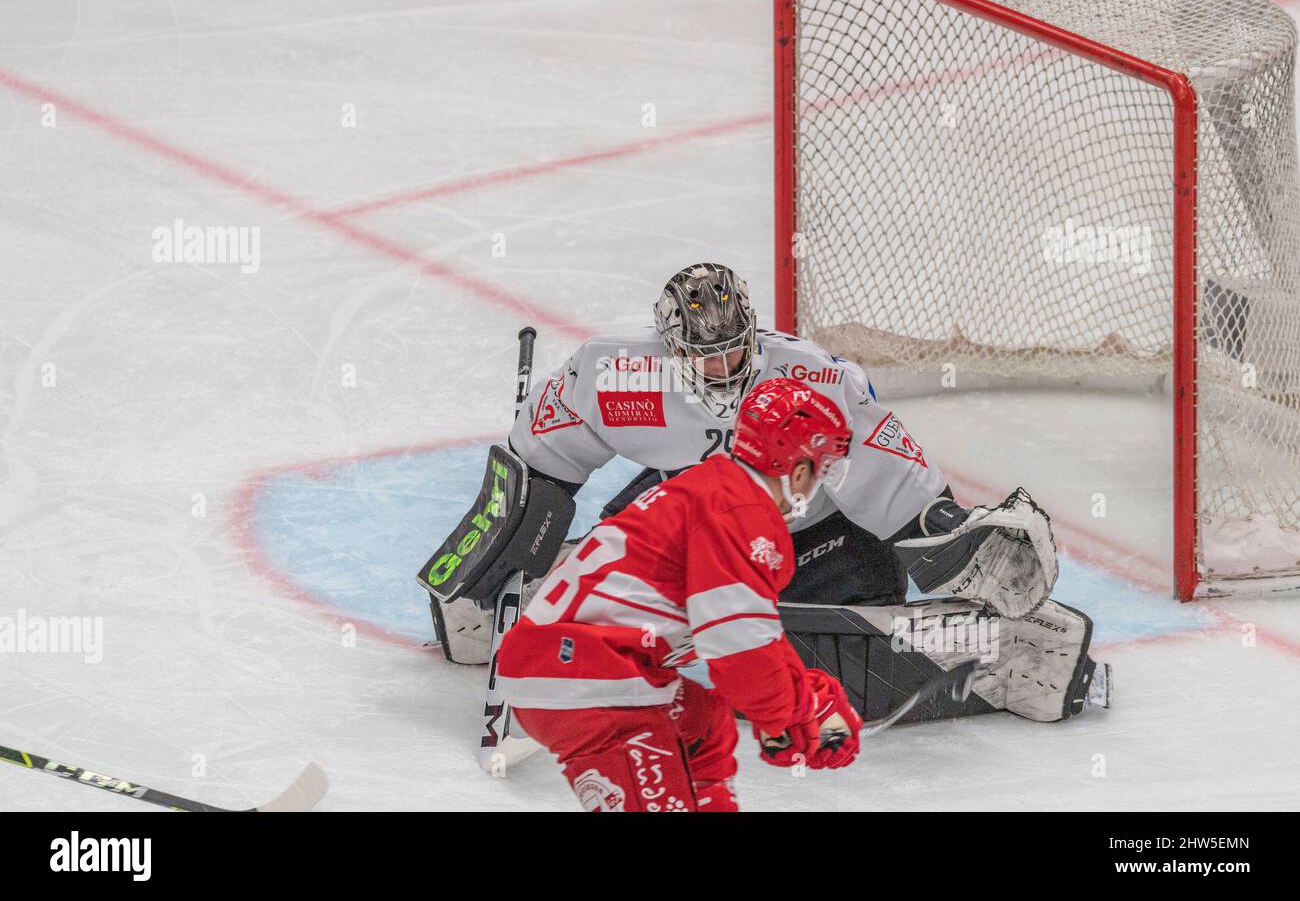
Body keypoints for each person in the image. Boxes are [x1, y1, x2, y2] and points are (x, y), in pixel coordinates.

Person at [432, 263, 1109, 726]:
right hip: (697, 514)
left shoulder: (815, 378)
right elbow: (535, 465)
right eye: (708, 358)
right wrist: (505, 538)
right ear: (672, 349)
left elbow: (897, 487)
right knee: (624, 615)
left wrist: (955, 533)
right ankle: (552, 601)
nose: (725, 370)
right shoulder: (618, 375)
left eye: (735, 351)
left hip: (823, 537)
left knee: (837, 678)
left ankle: (995, 658)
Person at [497, 378, 862, 811]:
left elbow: (754, 636)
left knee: (702, 726)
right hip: (591, 683)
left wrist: (804, 697)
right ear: (799, 471)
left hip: (577, 665)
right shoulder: (741, 514)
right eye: (822, 468)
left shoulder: (716, 489)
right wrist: (791, 713)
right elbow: (736, 645)